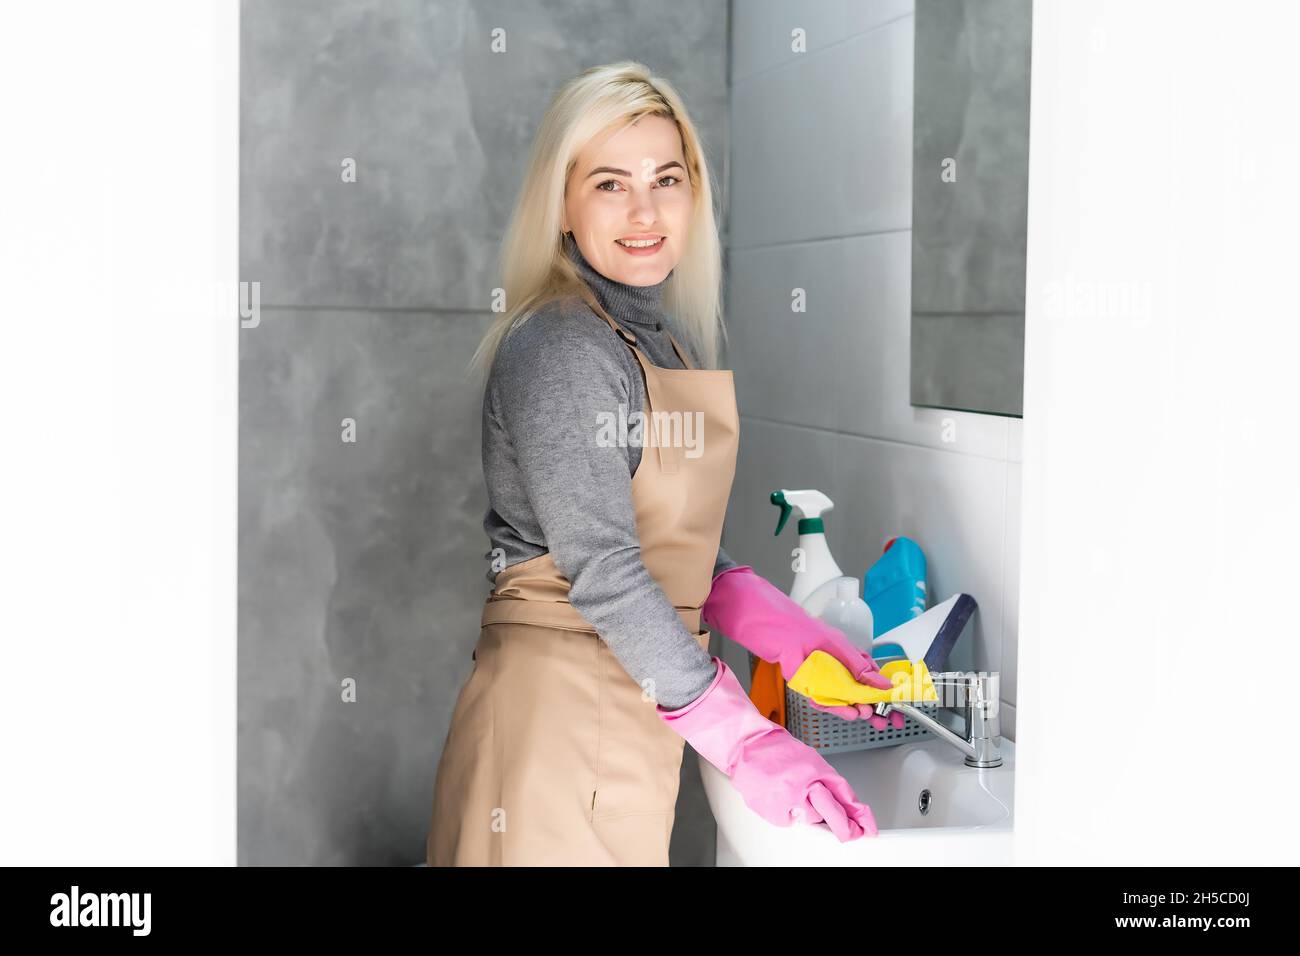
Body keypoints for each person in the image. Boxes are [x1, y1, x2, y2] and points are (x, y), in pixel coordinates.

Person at [425, 61, 901, 867]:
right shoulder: (563, 348)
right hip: (558, 721)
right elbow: (605, 568)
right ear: (563, 204)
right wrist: (746, 744)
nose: (644, 211)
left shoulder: (653, 338)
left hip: (629, 708)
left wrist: (773, 623)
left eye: (666, 179)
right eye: (610, 183)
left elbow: (658, 538)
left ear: (693, 194)